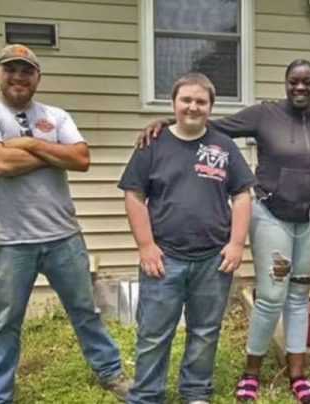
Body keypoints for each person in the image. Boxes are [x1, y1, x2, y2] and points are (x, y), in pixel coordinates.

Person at [139, 59, 310, 403]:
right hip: (272, 215)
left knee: (298, 297)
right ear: (286, 83)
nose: (300, 88)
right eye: (294, 82)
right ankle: (251, 372)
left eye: (307, 82)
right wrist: (169, 123)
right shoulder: (264, 115)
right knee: (272, 295)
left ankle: (297, 373)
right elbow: (212, 124)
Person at [0, 44, 130, 401]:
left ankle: (111, 373)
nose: (19, 76)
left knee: (85, 311)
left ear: (37, 78)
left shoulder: (56, 115)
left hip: (63, 235)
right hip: (6, 239)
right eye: (11, 69)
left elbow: (81, 158)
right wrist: (53, 155)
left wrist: (28, 143)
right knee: (5, 323)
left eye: (27, 70)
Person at [119, 72, 255, 403]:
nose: (193, 107)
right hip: (164, 259)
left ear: (211, 106)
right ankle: (148, 395)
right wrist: (146, 246)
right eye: (186, 100)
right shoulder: (153, 144)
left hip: (213, 260)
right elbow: (134, 196)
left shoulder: (223, 146)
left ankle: (196, 391)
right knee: (153, 334)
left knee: (205, 332)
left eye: (201, 101)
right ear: (173, 103)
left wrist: (237, 244)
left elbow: (242, 195)